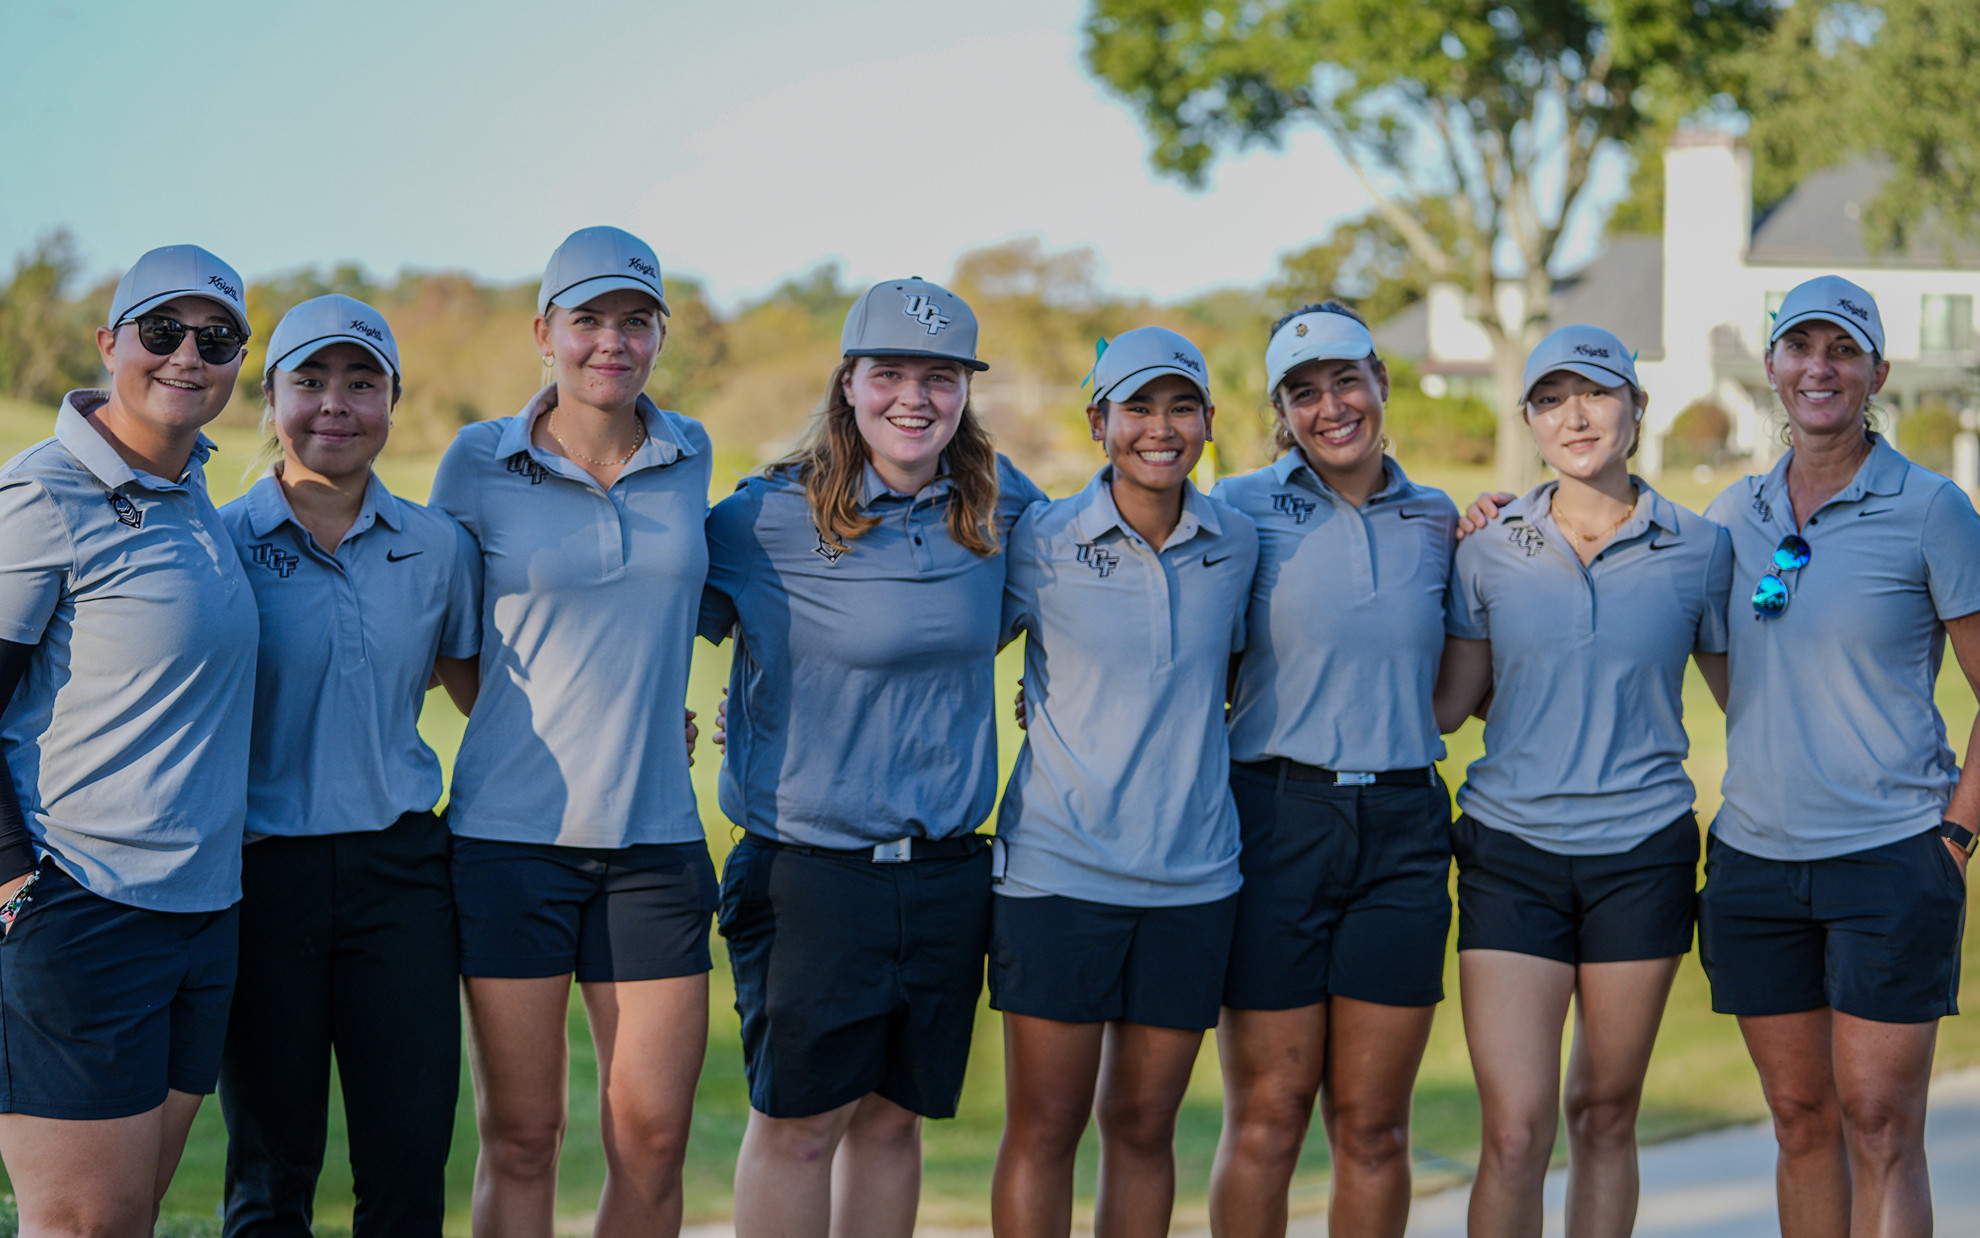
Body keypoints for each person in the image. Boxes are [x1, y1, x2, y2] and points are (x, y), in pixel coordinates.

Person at [699, 277, 1043, 1238]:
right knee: (801, 1130)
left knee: (893, 1125)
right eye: (890, 373)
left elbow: (1092, 593)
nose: (915, 399)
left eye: (941, 377)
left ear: (965, 392)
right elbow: (636, 622)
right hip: (811, 876)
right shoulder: (761, 519)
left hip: (945, 873)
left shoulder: (1003, 504)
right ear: (848, 383)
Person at [428, 226, 715, 1238]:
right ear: (544, 331)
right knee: (521, 1133)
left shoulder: (691, 452)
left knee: (652, 1138)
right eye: (588, 319)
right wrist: (535, 717)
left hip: (656, 845)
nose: (612, 342)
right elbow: (446, 633)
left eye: (635, 321)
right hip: (509, 844)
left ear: (659, 334)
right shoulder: (475, 462)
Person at [1695, 277, 1980, 1238]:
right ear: (1772, 367)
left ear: (1877, 373)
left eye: (1843, 351)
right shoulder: (1731, 516)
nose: (1820, 368)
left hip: (1893, 858)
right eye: (1800, 347)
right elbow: (1722, 659)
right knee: (1801, 1120)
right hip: (1756, 864)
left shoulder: (1934, 509)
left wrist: (1957, 835)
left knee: (1881, 1123)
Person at [1434, 325, 1732, 1238]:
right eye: (1553, 399)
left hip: (1640, 859)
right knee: (1517, 1131)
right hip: (1511, 855)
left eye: (1598, 394)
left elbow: (1751, 700)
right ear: (1529, 420)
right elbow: (1452, 706)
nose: (1578, 415)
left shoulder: (1703, 549)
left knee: (1604, 1115)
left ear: (1637, 410)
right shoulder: (1484, 549)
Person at [0, 245, 260, 1233]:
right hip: (83, 912)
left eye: (218, 336)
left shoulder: (195, 487)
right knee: (80, 1223)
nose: (189, 354)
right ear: (110, 342)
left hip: (204, 914)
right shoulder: (44, 493)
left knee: (130, 1216)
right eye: (162, 330)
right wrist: (16, 882)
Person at [216, 295, 480, 1237]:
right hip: (258, 876)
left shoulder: (438, 546)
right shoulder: (217, 543)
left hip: (402, 877)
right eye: (311, 381)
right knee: (270, 1169)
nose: (336, 405)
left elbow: (482, 693)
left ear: (394, 399)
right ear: (272, 395)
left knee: (409, 1166)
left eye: (361, 384)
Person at [991, 326, 1259, 1238]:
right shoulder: (1041, 540)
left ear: (1210, 422)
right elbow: (940, 651)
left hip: (1192, 882)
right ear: (1099, 420)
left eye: (1181, 407)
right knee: (1046, 1128)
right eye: (1138, 407)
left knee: (1145, 1128)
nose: (1161, 427)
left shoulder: (1239, 542)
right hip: (1058, 877)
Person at [1205, 302, 1460, 1238]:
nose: (1331, 407)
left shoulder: (1437, 517)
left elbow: (1455, 675)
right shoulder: (1233, 507)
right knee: (1269, 1121)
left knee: (1375, 1129)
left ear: (1381, 382)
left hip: (1401, 829)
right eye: (1304, 393)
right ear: (1282, 410)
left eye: (1346, 380)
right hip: (1275, 819)